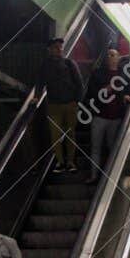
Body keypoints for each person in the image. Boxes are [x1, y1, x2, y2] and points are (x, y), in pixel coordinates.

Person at [86, 48, 130, 175]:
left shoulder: (123, 75)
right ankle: (94, 175)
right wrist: (104, 90)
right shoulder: (97, 73)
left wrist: (127, 97)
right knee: (95, 147)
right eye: (108, 55)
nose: (110, 57)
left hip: (116, 117)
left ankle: (109, 175)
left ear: (118, 58)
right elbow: (90, 94)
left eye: (113, 55)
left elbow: (128, 91)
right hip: (99, 116)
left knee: (112, 147)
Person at [42, 37, 85, 172]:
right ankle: (60, 162)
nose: (59, 49)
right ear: (50, 50)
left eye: (61, 47)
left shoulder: (69, 63)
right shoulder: (45, 66)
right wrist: (37, 97)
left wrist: (76, 101)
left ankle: (71, 162)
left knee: (70, 134)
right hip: (54, 105)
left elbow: (79, 83)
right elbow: (39, 82)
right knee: (56, 136)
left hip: (69, 104)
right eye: (56, 47)